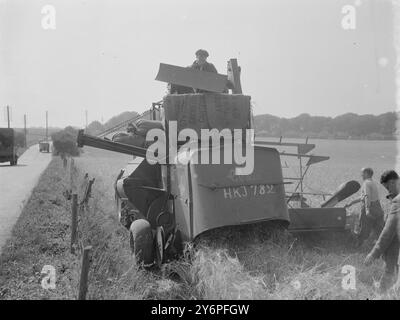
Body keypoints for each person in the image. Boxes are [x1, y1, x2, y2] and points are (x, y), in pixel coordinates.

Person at [364, 170, 400, 292]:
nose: (388, 191)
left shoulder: (398, 202)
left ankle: (382, 293)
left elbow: (388, 232)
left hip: (395, 250)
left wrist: (373, 254)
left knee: (389, 276)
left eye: (388, 188)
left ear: (392, 182)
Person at [345, 168, 385, 247]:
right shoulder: (373, 182)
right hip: (378, 207)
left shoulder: (366, 183)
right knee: (378, 229)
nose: (361, 175)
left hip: (370, 207)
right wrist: (351, 202)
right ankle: (382, 247)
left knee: (363, 227)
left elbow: (367, 196)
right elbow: (363, 197)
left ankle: (357, 246)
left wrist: (367, 209)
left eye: (362, 173)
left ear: (366, 173)